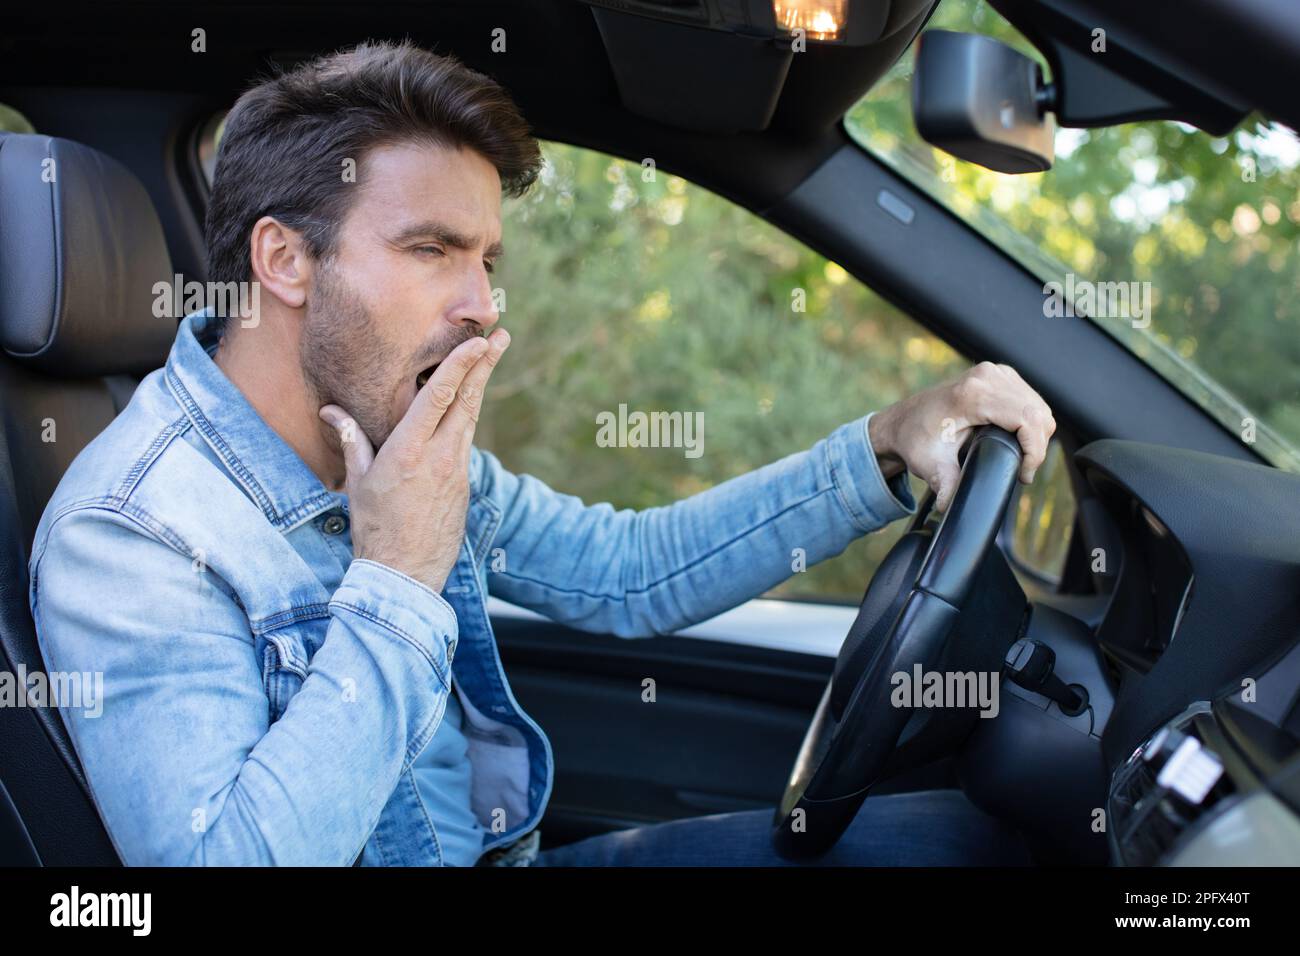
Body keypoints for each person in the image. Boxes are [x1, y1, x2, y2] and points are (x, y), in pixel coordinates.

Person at [30, 40, 1054, 866]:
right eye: (431, 249)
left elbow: (627, 572)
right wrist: (395, 578)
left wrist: (878, 447)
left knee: (979, 841)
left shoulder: (396, 439)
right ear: (284, 259)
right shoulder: (132, 533)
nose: (481, 305)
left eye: (485, 259)